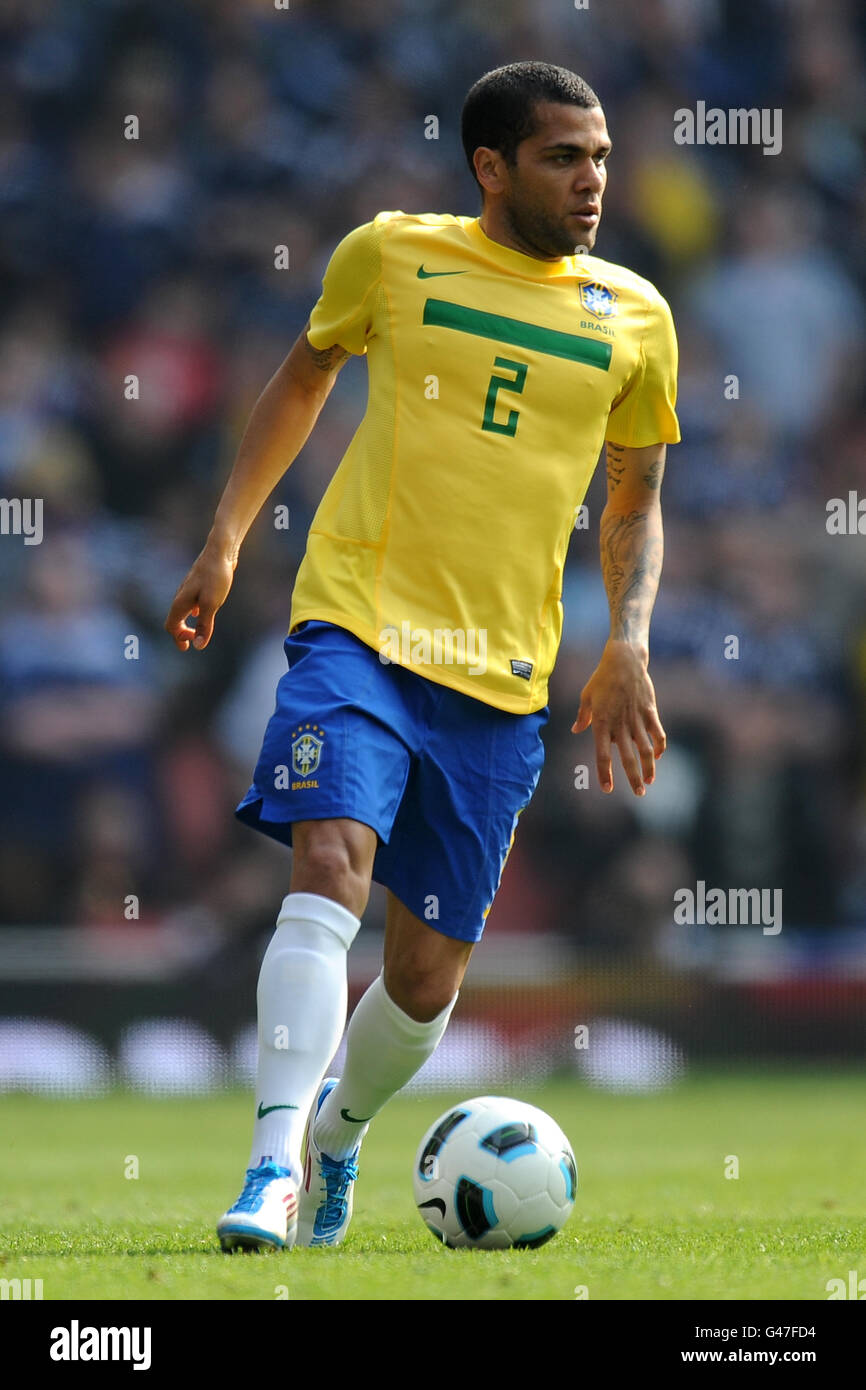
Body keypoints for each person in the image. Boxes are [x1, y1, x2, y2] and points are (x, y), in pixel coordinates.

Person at [164, 60, 680, 1253]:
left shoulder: (635, 317)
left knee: (424, 978)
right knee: (329, 862)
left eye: (600, 155)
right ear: (489, 168)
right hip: (360, 627)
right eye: (563, 156)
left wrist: (628, 640)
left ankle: (340, 1134)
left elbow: (635, 496)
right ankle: (271, 1165)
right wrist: (226, 541)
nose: (592, 179)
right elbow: (301, 377)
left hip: (499, 679)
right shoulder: (391, 256)